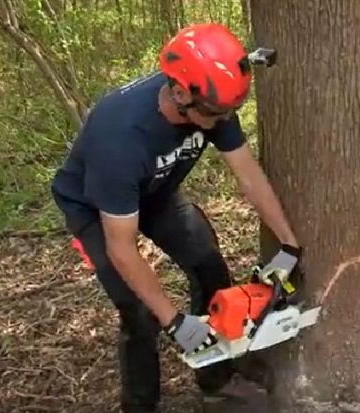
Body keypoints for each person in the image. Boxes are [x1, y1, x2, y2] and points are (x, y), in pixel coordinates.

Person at [49, 22, 301, 413]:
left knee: (209, 265)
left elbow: (249, 175)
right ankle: (140, 405)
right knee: (140, 311)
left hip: (156, 191)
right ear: (181, 95)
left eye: (231, 112)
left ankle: (216, 381)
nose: (224, 121)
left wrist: (288, 244)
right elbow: (121, 247)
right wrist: (175, 321)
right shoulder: (120, 138)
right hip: (95, 207)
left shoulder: (213, 99)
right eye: (218, 114)